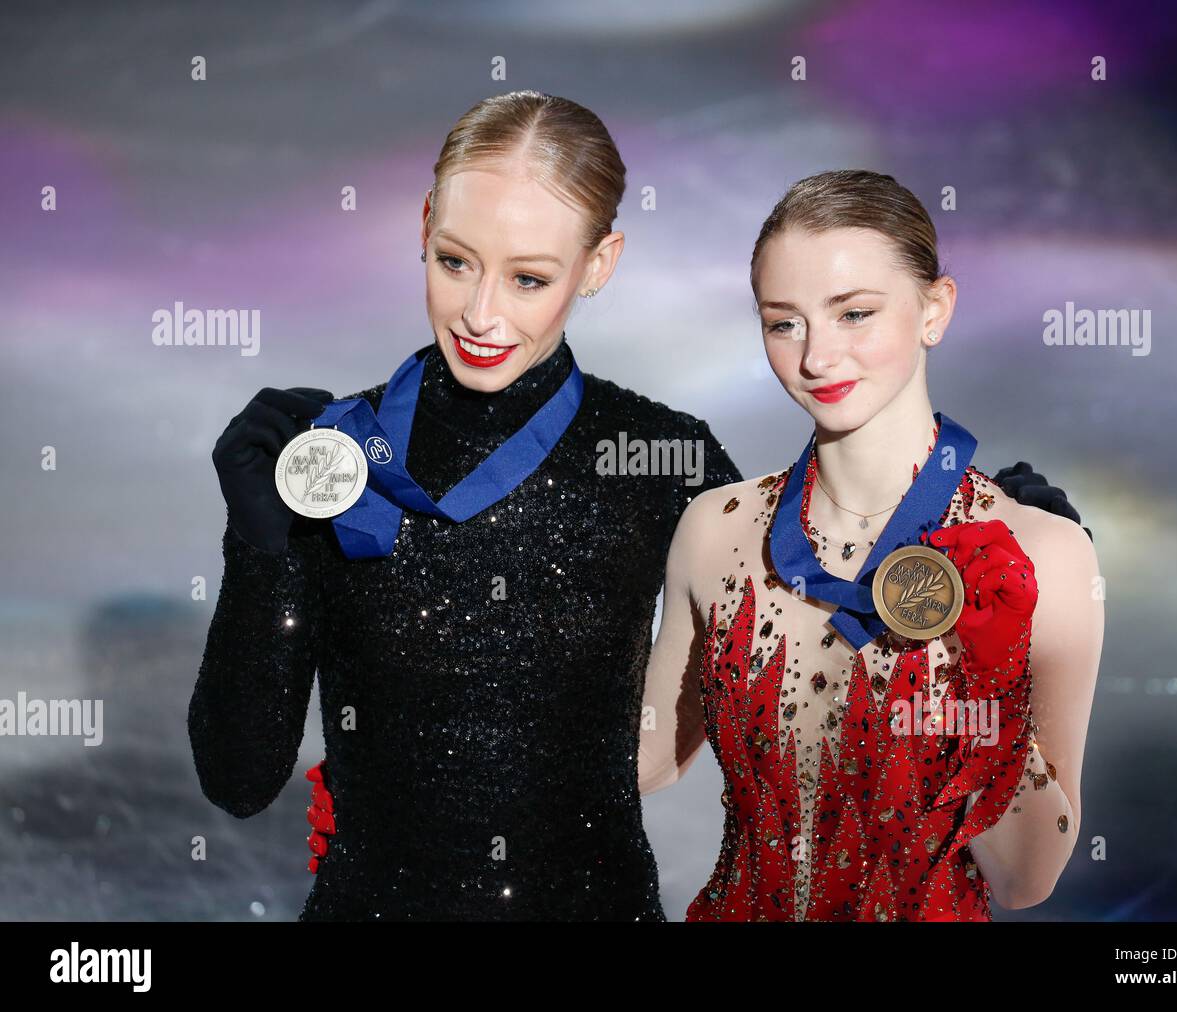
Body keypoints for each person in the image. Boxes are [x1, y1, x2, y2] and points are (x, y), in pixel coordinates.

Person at [191, 92, 1084, 921]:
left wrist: (969, 548)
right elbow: (237, 780)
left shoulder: (666, 457)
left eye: (530, 278)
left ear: (599, 264)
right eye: (455, 261)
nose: (481, 313)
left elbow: (813, 643)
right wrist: (259, 547)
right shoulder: (337, 460)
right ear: (423, 228)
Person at [638, 169, 1103, 922]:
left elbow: (1025, 879)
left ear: (935, 309)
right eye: (783, 322)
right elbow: (644, 759)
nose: (816, 357)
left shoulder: (1044, 550)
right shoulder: (715, 526)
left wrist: (983, 671)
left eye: (854, 314)